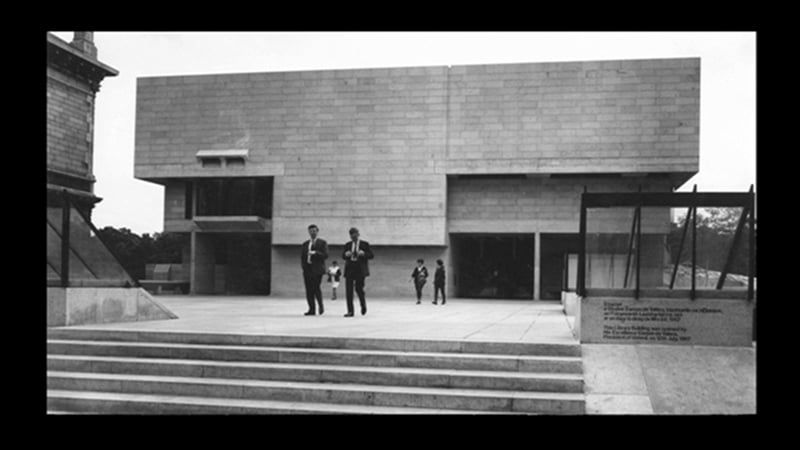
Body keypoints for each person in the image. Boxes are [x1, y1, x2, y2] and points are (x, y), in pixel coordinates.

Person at [342, 227, 374, 317]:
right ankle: (350, 311)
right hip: (350, 268)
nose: (353, 236)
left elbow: (371, 255)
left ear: (358, 234)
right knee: (349, 290)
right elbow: (343, 256)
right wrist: (345, 255)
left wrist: (364, 254)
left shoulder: (365, 244)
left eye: (355, 234)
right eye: (351, 235)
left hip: (360, 269)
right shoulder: (347, 245)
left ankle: (363, 305)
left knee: (359, 289)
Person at [301, 224, 328, 316]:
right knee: (308, 290)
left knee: (316, 288)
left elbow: (325, 255)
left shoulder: (322, 243)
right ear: (308, 232)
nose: (313, 232)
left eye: (314, 231)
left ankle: (320, 306)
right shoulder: (305, 244)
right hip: (307, 269)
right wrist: (304, 267)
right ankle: (311, 309)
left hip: (317, 269)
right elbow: (302, 257)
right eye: (311, 231)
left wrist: (315, 253)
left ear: (317, 231)